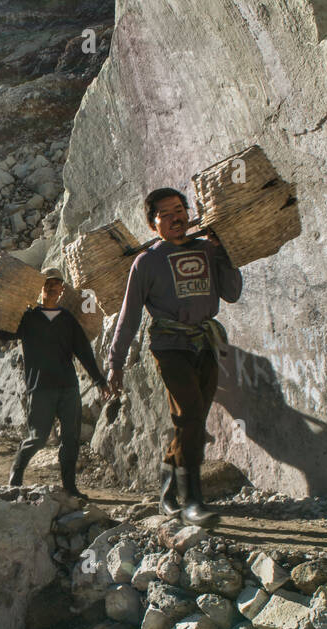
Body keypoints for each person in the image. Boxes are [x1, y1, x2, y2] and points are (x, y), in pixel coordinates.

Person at [105, 187, 243, 525]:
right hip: (169, 345)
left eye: (180, 209)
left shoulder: (208, 250)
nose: (176, 217)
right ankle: (192, 500)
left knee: (191, 420)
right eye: (165, 214)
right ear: (153, 225)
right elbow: (129, 315)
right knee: (191, 415)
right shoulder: (147, 261)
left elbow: (233, 292)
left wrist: (224, 251)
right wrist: (115, 364)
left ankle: (167, 487)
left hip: (205, 344)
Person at [1, 268, 113, 500]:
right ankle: (16, 474)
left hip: (68, 387)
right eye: (47, 285)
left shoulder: (68, 319)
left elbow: (83, 351)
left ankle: (69, 486)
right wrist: (9, 307)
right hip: (40, 387)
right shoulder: (28, 317)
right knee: (38, 437)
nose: (52, 289)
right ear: (40, 289)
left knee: (71, 437)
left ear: (62, 289)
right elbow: (5, 335)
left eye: (56, 285)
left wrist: (99, 380)